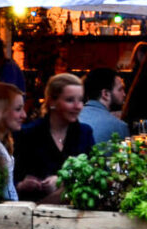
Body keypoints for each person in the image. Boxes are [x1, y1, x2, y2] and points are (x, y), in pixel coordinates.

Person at [13, 73, 95, 203]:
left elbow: (94, 175)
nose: (78, 106)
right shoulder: (27, 134)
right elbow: (11, 180)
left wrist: (63, 180)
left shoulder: (85, 133)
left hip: (77, 215)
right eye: (70, 100)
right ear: (52, 101)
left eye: (80, 100)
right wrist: (22, 185)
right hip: (34, 214)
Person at [80, 68, 129, 143]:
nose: (124, 94)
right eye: (120, 89)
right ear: (105, 94)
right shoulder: (119, 126)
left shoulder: (70, 118)